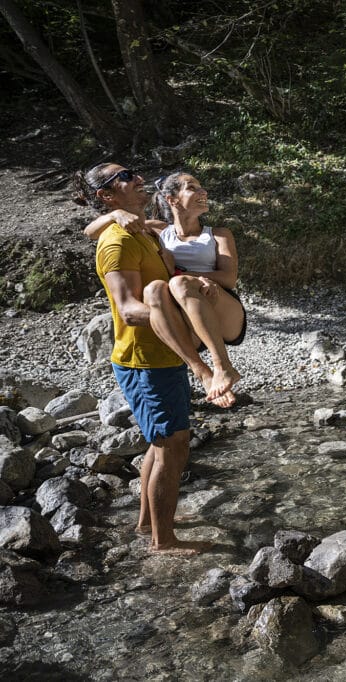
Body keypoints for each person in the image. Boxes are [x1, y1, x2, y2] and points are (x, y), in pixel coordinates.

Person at [72, 162, 216, 555]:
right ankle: (163, 542)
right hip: (144, 359)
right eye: (125, 176)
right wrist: (175, 319)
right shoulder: (116, 240)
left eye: (133, 172)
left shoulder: (142, 230)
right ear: (105, 195)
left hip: (162, 353)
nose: (137, 178)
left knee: (160, 442)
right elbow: (128, 308)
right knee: (174, 444)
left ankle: (147, 523)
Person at [83, 172, 244, 405]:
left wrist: (192, 278)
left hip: (221, 306)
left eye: (201, 187)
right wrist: (115, 214)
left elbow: (228, 279)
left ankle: (223, 366)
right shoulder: (157, 230)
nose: (203, 192)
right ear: (172, 200)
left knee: (178, 282)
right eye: (192, 188)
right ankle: (202, 372)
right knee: (154, 290)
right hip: (188, 316)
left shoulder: (219, 234)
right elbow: (90, 232)